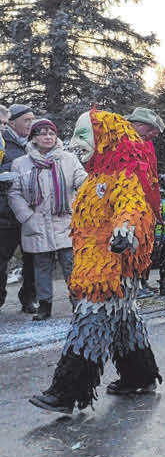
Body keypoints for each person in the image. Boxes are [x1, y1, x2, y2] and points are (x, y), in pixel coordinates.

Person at [29, 109, 163, 414]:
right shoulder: (95, 177)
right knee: (124, 319)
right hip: (94, 264)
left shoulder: (124, 174)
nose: (75, 142)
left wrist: (125, 231)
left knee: (90, 322)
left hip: (112, 267)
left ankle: (67, 392)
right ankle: (139, 375)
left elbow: (132, 206)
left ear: (105, 137)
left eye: (82, 135)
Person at [8, 118, 87, 320]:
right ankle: (44, 306)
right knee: (41, 268)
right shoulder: (20, 164)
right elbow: (15, 193)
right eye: (43, 133)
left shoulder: (69, 159)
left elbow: (82, 181)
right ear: (34, 138)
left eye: (51, 133)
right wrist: (27, 216)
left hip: (65, 221)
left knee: (71, 265)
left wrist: (92, 184)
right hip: (37, 223)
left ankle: (78, 302)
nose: (48, 137)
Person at [0, 103, 37, 313]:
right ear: (13, 123)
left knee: (32, 257)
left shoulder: (32, 144)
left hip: (31, 212)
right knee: (2, 258)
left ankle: (29, 298)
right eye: (26, 120)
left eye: (32, 120)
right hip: (6, 213)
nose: (30, 124)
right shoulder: (3, 143)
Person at [124, 107, 165, 296]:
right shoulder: (122, 141)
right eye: (150, 130)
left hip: (147, 199)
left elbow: (152, 171)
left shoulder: (147, 143)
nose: (153, 135)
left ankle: (142, 280)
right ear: (137, 125)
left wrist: (156, 199)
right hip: (128, 200)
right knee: (131, 242)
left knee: (146, 243)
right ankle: (131, 284)